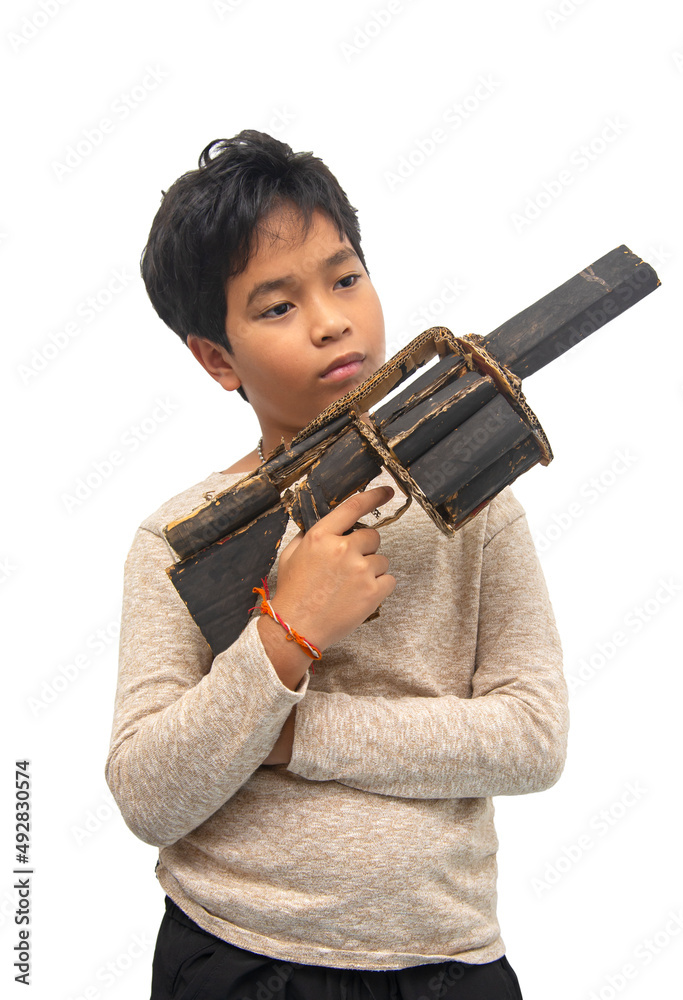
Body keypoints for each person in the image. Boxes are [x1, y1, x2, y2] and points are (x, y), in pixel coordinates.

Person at [105, 130, 569, 1000]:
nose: (332, 320)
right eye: (277, 307)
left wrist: (289, 734)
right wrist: (289, 631)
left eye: (346, 277)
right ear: (216, 357)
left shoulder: (476, 500)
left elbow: (533, 739)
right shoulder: (176, 539)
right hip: (233, 954)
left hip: (446, 962)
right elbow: (145, 791)